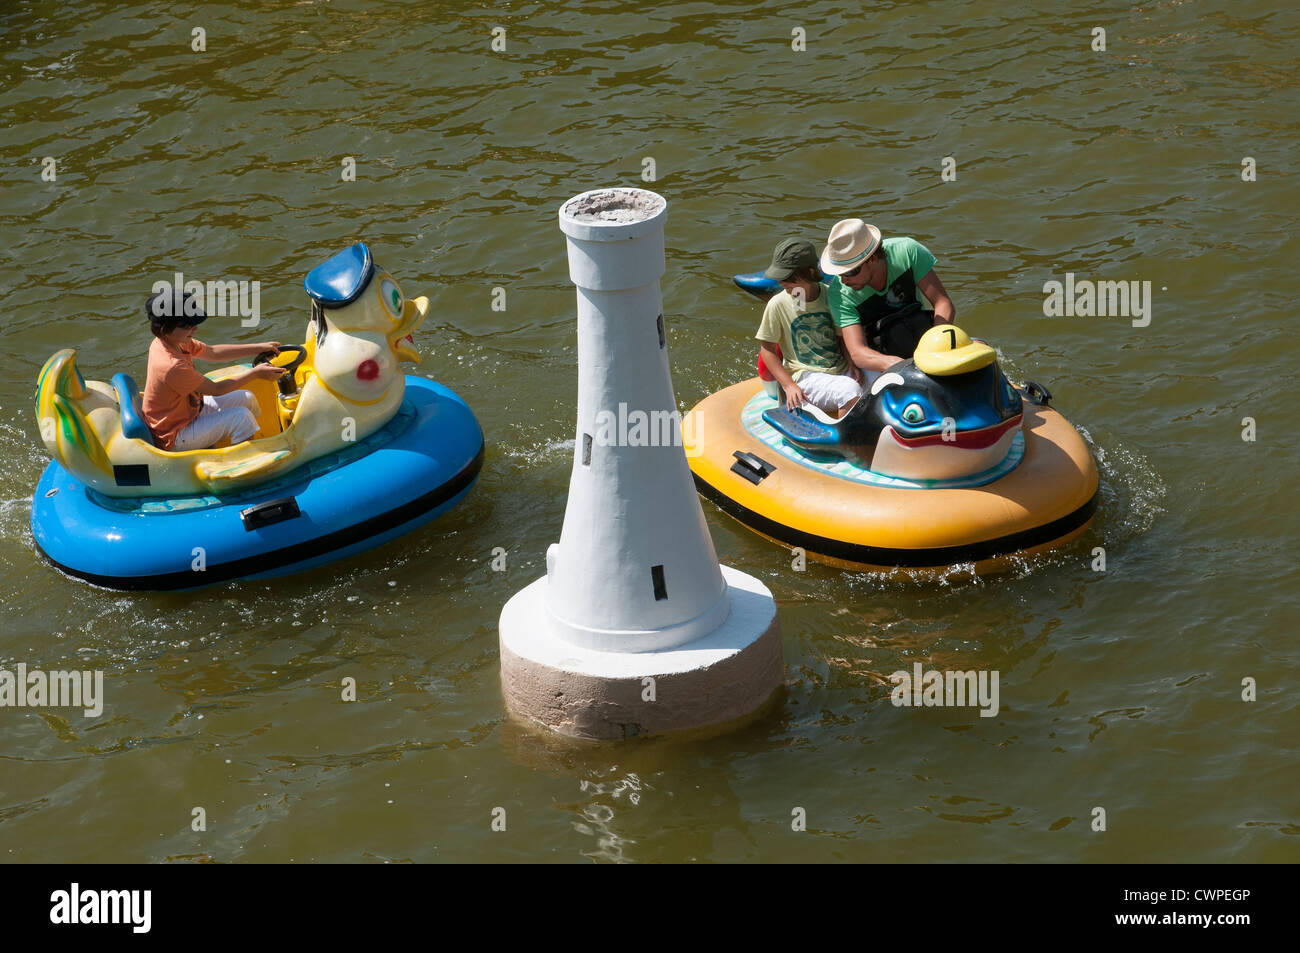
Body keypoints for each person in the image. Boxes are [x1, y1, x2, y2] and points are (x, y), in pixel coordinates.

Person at [141, 288, 286, 451]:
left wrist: (258, 348)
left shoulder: (175, 340)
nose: (194, 329)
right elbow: (217, 389)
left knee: (247, 398)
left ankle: (253, 440)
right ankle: (241, 463)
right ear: (164, 329)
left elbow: (213, 352)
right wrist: (256, 373)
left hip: (189, 411)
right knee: (242, 418)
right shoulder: (170, 365)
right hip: (174, 434)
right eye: (187, 325)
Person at [820, 219, 955, 375]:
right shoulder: (839, 293)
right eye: (839, 273)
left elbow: (943, 303)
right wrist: (899, 365)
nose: (844, 280)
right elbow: (858, 352)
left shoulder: (908, 251)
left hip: (922, 334)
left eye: (850, 272)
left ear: (872, 258)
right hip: (880, 354)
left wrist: (936, 345)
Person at [755, 239, 863, 415]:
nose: (782, 283)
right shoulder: (778, 305)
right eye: (780, 278)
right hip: (804, 376)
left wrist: (852, 364)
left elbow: (840, 337)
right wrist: (788, 386)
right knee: (849, 391)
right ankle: (846, 439)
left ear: (811, 273)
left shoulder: (831, 295)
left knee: (883, 380)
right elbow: (767, 351)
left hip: (839, 369)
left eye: (788, 278)